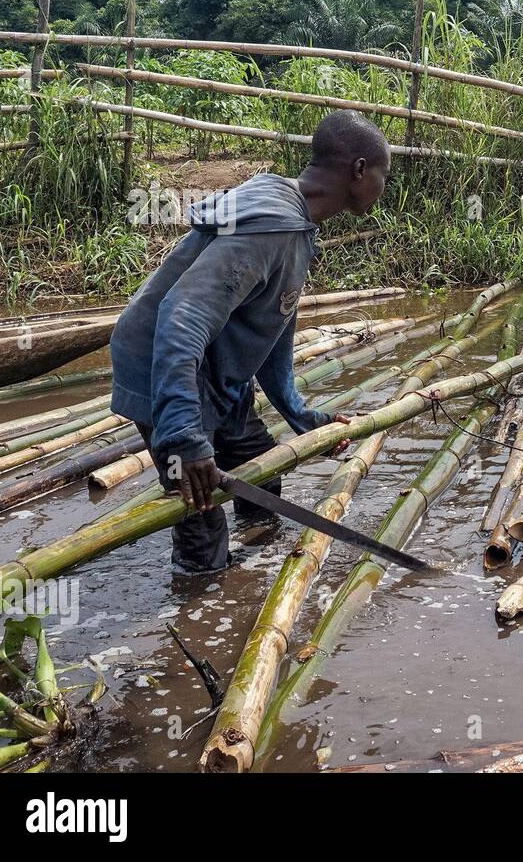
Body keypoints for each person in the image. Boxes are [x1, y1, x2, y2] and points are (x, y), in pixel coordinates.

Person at [109, 110, 391, 573]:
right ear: (360, 170)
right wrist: (184, 436)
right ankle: (202, 598)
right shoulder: (273, 226)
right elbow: (181, 318)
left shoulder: (294, 220)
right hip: (165, 365)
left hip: (216, 370)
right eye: (384, 174)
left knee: (261, 468)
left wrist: (302, 415)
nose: (383, 186)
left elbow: (273, 330)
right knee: (199, 510)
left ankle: (254, 573)